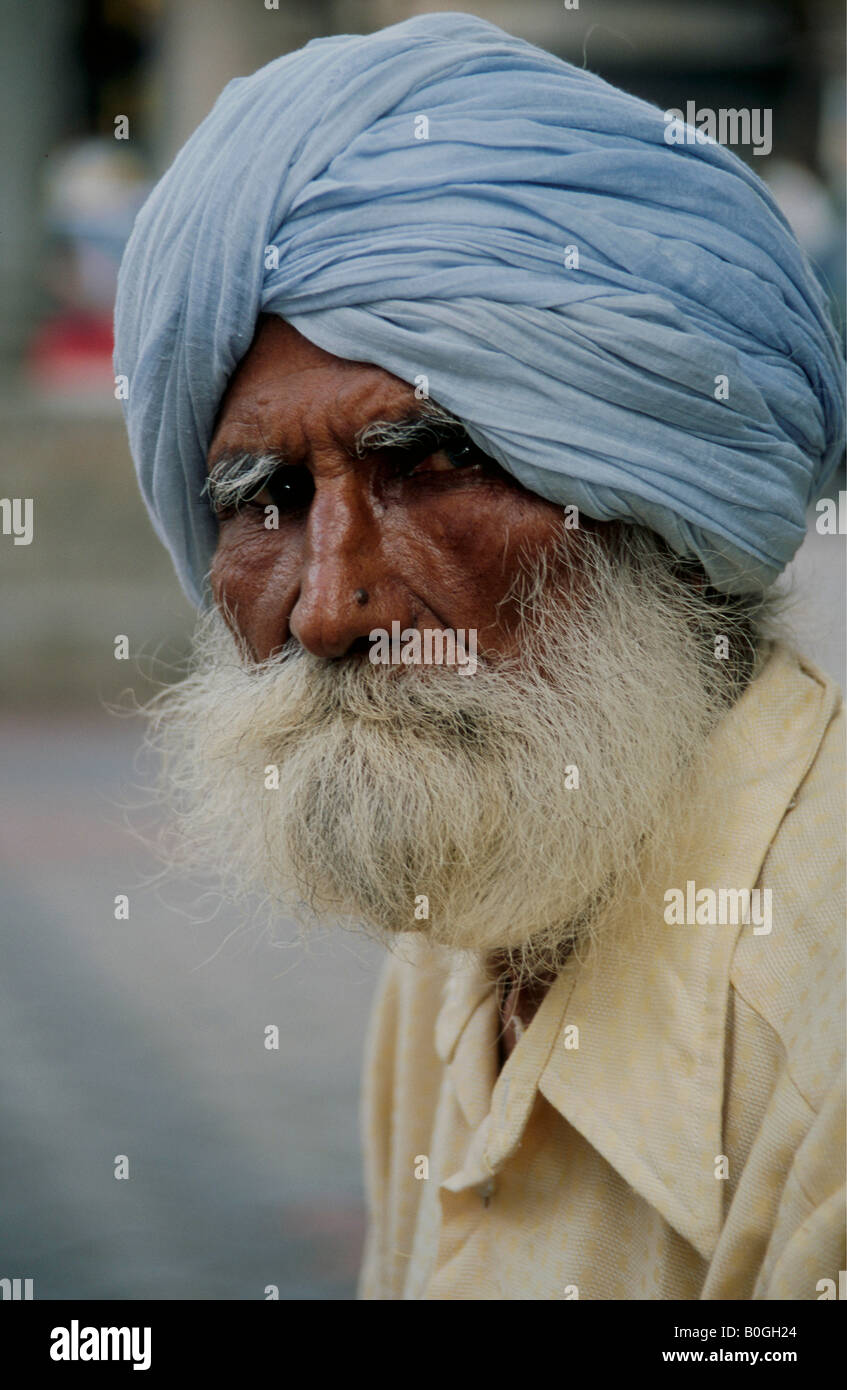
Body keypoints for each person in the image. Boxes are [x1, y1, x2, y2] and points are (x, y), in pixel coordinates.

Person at [114, 13, 845, 1300]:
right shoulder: (474, 909)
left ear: (654, 513)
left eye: (431, 465)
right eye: (263, 494)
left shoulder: (819, 1036)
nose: (329, 605)